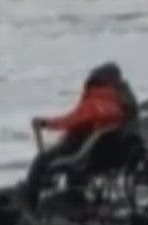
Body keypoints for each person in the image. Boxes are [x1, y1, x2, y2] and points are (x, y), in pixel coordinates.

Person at [22, 63, 136, 206]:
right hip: (109, 155)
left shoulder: (96, 102)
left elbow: (71, 121)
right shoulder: (121, 101)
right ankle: (74, 192)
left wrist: (45, 123)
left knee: (42, 159)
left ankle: (30, 201)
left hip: (86, 154)